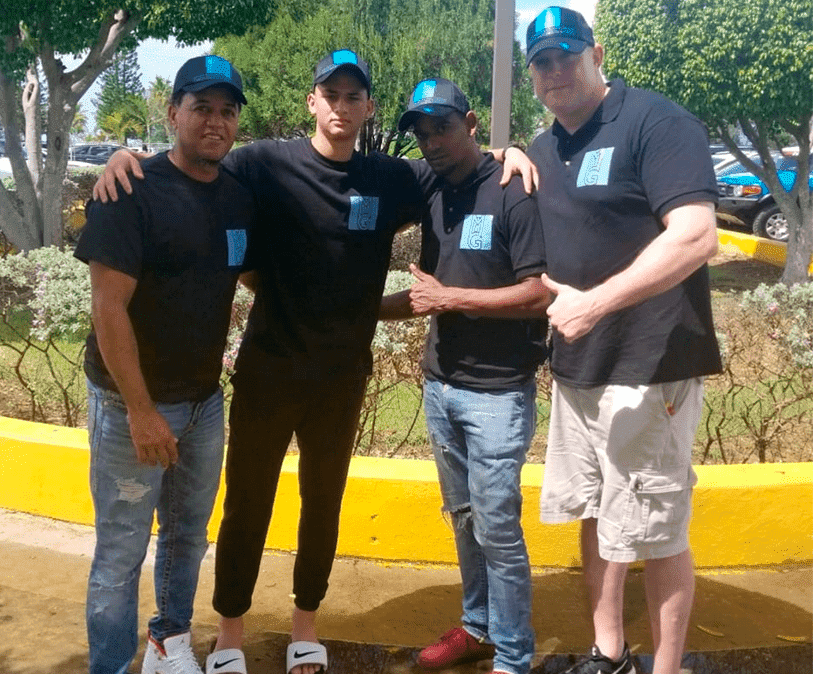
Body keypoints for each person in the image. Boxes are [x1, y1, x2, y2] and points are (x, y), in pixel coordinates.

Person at [93, 50, 536, 674]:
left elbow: (457, 163)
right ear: (312, 101)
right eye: (331, 95)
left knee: (322, 504)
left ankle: (307, 630)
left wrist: (509, 152)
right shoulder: (263, 162)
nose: (341, 107)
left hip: (341, 377)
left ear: (368, 109)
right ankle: (230, 636)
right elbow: (191, 164)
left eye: (354, 97)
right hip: (269, 371)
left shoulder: (390, 177)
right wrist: (126, 161)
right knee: (248, 503)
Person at [523, 7, 722, 674]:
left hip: (650, 365)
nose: (554, 69)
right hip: (579, 369)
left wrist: (596, 305)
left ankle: (664, 669)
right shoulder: (544, 149)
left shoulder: (654, 123)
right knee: (592, 512)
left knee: (656, 529)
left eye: (566, 54)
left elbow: (696, 235)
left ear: (596, 53)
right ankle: (607, 652)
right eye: (542, 60)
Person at [74, 55, 254, 674]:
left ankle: (167, 644)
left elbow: (251, 273)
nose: (215, 121)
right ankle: (111, 666)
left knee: (186, 536)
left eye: (227, 110)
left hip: (205, 403)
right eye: (201, 107)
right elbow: (107, 310)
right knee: (122, 550)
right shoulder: (130, 191)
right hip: (133, 407)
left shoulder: (235, 196)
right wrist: (144, 411)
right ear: (174, 112)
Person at [380, 78, 549, 674]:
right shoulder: (430, 185)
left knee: (498, 529)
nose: (431, 142)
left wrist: (450, 298)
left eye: (442, 128)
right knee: (465, 519)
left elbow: (538, 293)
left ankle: (513, 654)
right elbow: (425, 294)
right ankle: (477, 627)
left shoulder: (512, 190)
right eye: (421, 133)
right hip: (441, 386)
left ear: (472, 123)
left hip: (498, 392)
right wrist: (358, 311)